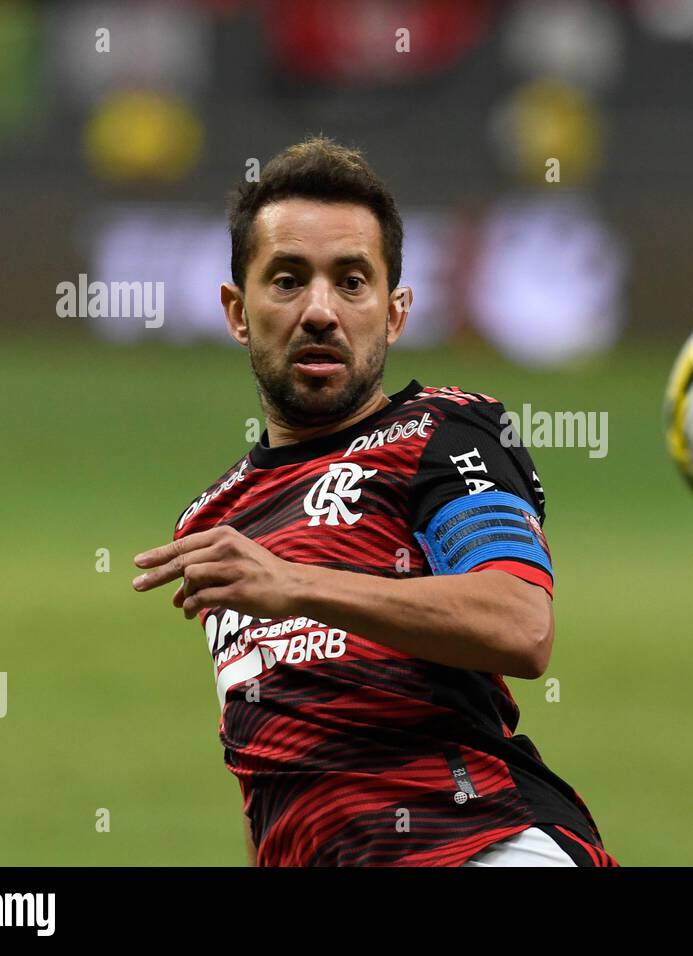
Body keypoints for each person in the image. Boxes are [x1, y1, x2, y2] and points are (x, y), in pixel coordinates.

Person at [132, 136, 616, 867]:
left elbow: (520, 624)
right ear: (237, 311)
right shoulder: (214, 523)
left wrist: (294, 584)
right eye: (288, 280)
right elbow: (270, 768)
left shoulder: (442, 435)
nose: (320, 311)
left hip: (479, 843)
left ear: (394, 313)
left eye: (351, 282)